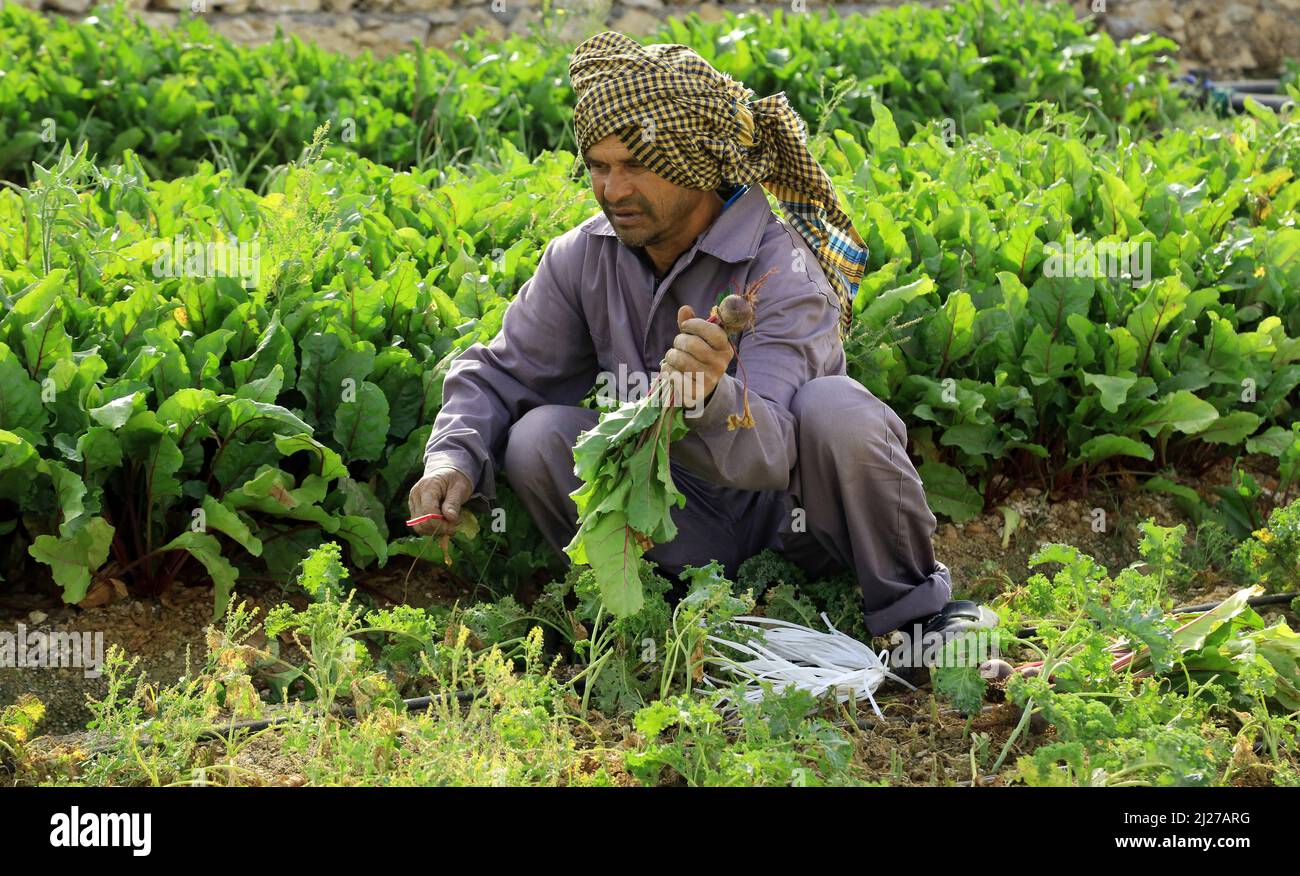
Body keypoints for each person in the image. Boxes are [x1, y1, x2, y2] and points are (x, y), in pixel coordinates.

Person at [409, 31, 993, 644]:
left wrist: (709, 398)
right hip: (675, 517)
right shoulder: (585, 256)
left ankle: (915, 616)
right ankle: (655, 617)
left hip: (794, 522)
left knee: (838, 408)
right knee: (537, 439)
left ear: (695, 165)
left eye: (635, 166)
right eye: (599, 167)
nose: (613, 190)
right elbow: (502, 375)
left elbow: (775, 453)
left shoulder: (783, 265)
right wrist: (453, 456)